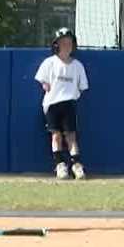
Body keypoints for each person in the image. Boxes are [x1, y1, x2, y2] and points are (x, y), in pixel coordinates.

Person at [34, 28, 89, 180]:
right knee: (56, 135)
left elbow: (82, 86)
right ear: (56, 45)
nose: (66, 46)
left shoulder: (78, 66)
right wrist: (45, 85)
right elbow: (42, 80)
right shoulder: (49, 62)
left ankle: (76, 165)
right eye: (63, 43)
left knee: (71, 135)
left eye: (69, 43)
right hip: (52, 104)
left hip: (69, 104)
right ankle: (60, 165)